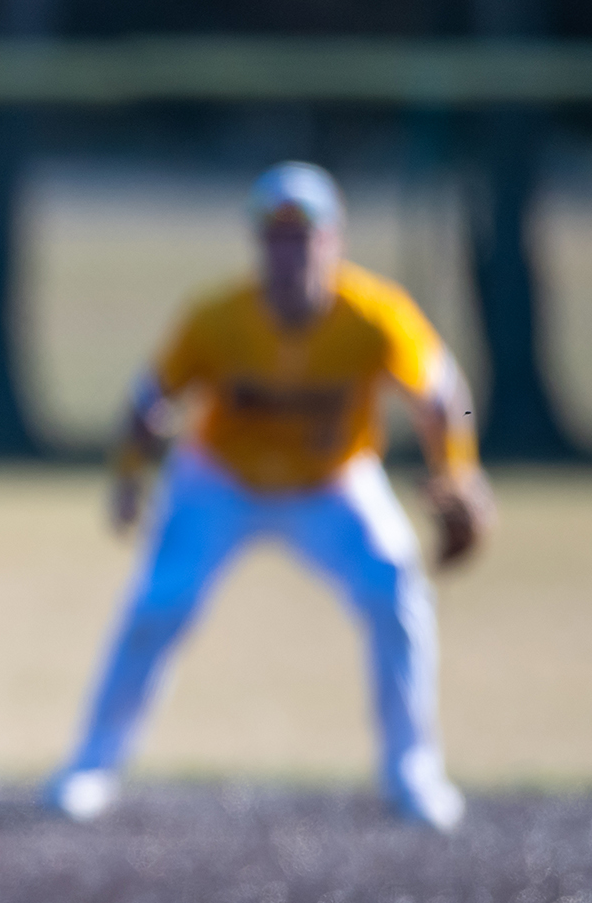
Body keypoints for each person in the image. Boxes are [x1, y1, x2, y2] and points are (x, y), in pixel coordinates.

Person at [48, 162, 494, 832]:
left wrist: (458, 469)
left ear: (333, 240)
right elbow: (149, 396)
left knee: (394, 589)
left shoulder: (372, 314)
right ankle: (91, 766)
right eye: (275, 237)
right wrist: (127, 475)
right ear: (258, 244)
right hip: (220, 479)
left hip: (332, 480)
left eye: (303, 235)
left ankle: (413, 770)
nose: (289, 252)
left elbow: (444, 396)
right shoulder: (218, 317)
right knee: (157, 605)